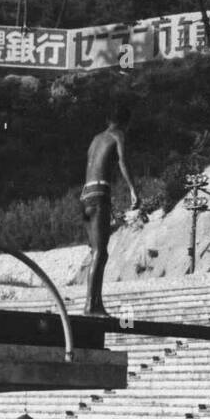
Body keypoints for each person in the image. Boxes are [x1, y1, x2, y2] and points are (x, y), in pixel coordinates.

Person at [80, 104, 139, 316]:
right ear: (125, 122)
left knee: (95, 251)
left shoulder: (95, 139)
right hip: (99, 195)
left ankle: (93, 304)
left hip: (85, 195)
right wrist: (133, 190)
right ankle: (92, 305)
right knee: (100, 253)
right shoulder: (118, 136)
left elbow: (90, 165)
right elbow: (123, 162)